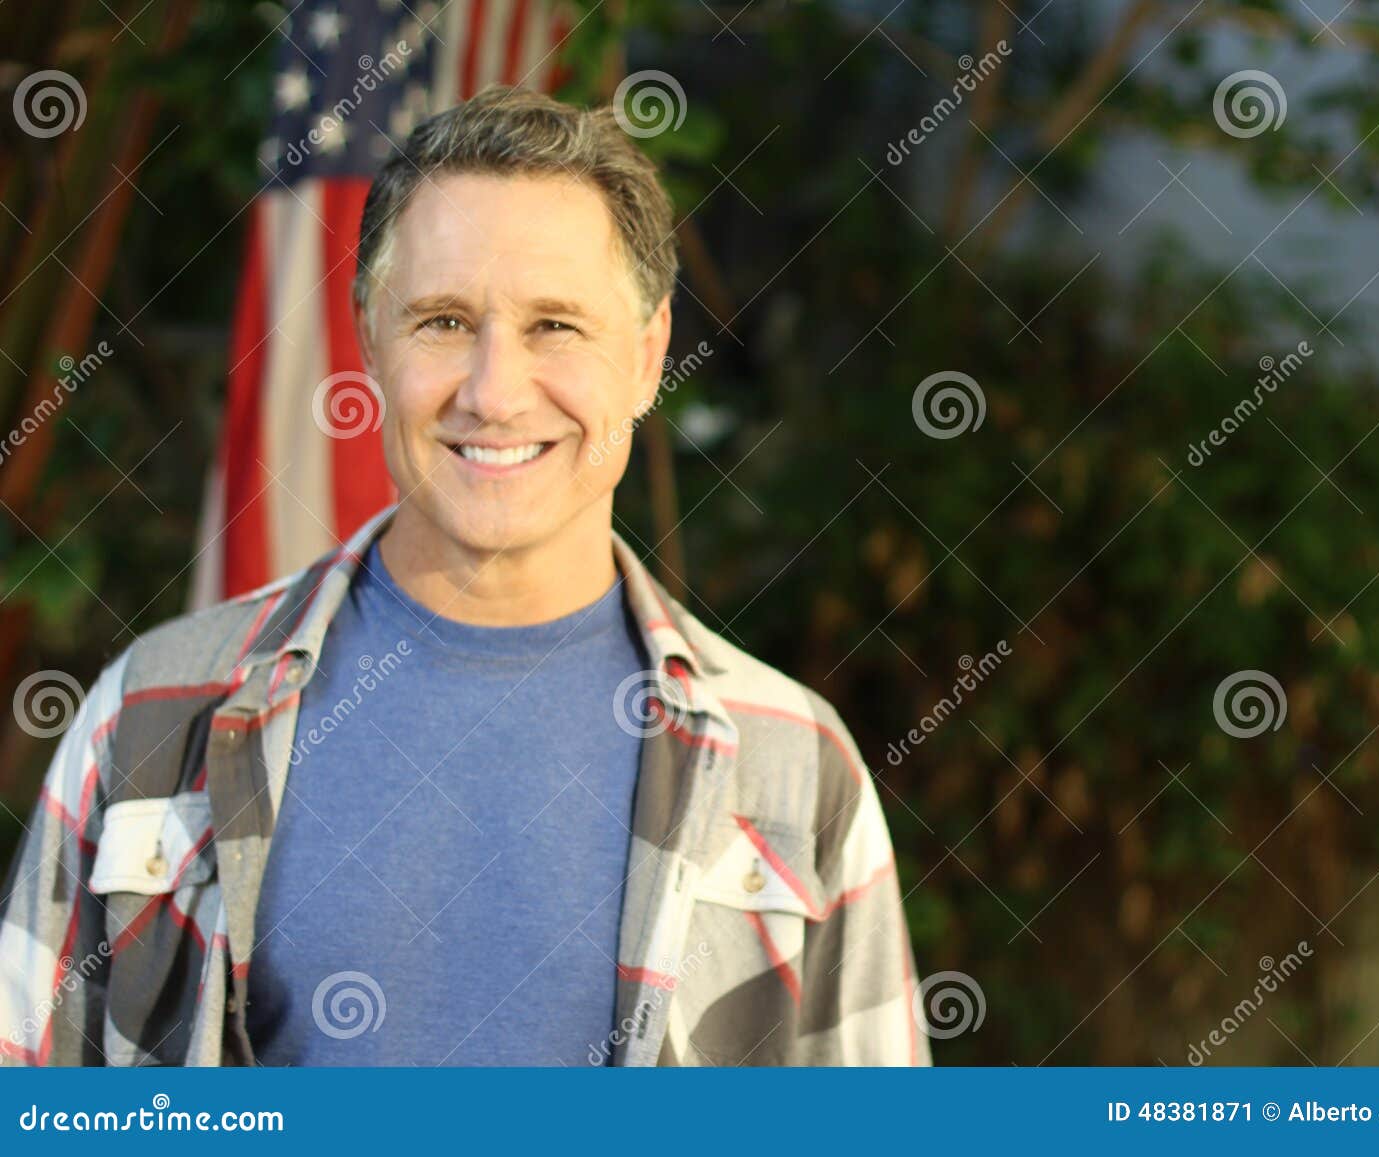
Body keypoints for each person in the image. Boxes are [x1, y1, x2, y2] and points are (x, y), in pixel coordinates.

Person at [0, 86, 930, 1067]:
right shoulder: (149, 717)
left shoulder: (794, 769)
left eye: (555, 327)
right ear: (369, 335)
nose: (492, 392)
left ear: (648, 353)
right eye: (444, 320)